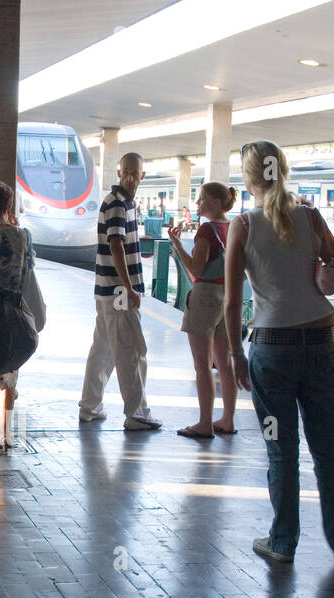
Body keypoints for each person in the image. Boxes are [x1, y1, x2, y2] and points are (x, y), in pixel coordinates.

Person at [223, 140, 334, 563]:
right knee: (326, 449)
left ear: (247, 178)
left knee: (280, 449)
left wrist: (235, 356)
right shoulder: (314, 218)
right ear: (282, 168)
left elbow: (231, 303)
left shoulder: (242, 225)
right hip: (321, 343)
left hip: (271, 350)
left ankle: (283, 542)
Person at [78, 152, 161, 430]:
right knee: (131, 351)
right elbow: (116, 244)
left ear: (142, 176)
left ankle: (90, 406)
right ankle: (136, 413)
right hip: (118, 292)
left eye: (134, 173)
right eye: (125, 171)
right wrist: (129, 287)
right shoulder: (117, 203)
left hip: (106, 291)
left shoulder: (125, 203)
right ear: (119, 173)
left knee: (102, 351)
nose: (129, 177)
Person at [0, 180, 46, 453]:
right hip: (18, 312)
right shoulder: (24, 236)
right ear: (9, 206)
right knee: (11, 372)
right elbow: (30, 269)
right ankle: (6, 433)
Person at [167, 181, 238, 439]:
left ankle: (205, 423)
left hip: (205, 296)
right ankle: (228, 419)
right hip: (227, 296)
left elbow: (196, 269)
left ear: (216, 202)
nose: (197, 204)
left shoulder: (207, 230)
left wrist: (176, 245)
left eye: (202, 199)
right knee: (224, 362)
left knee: (202, 365)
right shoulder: (231, 226)